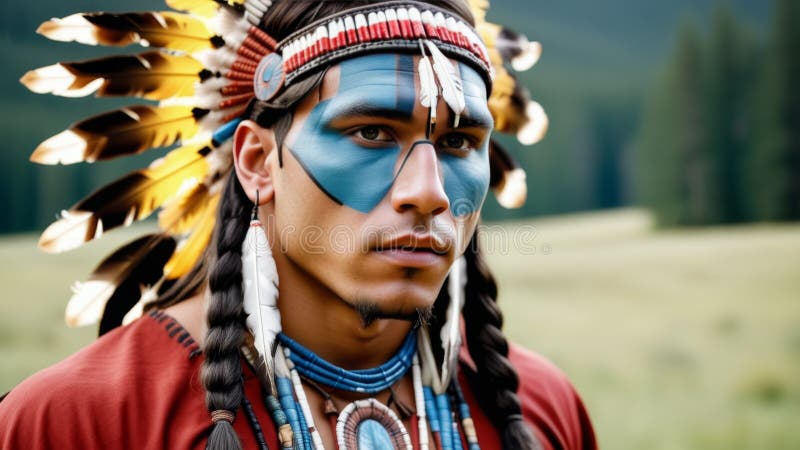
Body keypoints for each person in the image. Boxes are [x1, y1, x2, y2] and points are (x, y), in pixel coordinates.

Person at [1, 1, 597, 449]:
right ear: (258, 162)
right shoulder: (81, 421)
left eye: (460, 142)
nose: (428, 193)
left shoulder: (540, 408)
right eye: (371, 133)